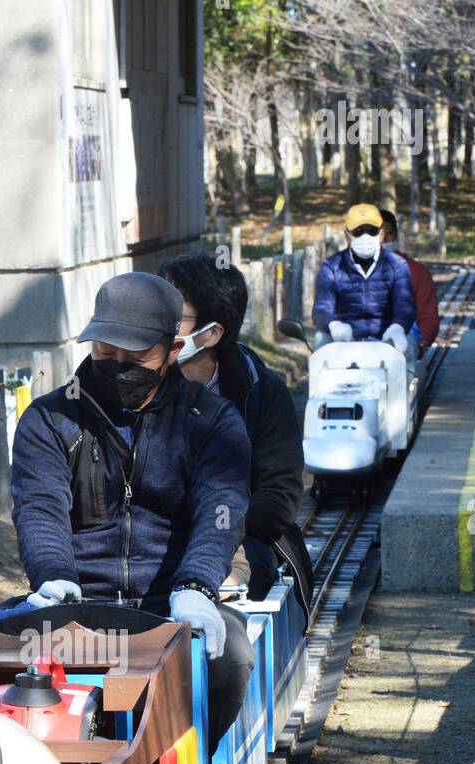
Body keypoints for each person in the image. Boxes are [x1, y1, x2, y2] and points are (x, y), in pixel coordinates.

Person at [10, 270, 254, 747]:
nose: (118, 364)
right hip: (75, 605)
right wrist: (53, 575)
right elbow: (40, 507)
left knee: (233, 658)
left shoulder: (213, 421)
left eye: (137, 355)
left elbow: (221, 509)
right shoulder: (48, 419)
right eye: (105, 352)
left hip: (173, 603)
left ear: (173, 350)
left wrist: (195, 586)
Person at [159, 254, 312, 617]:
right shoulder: (139, 381)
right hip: (153, 542)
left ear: (211, 333)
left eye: (172, 315)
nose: (156, 323)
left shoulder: (262, 391)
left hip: (243, 540)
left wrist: (214, 529)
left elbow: (279, 497)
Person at [312, 203, 416, 355]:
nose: (365, 236)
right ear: (347, 235)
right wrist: (333, 325)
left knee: (409, 343)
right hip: (345, 342)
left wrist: (397, 327)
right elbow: (322, 306)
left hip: (386, 339)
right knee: (321, 338)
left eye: (371, 231)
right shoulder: (331, 267)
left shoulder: (397, 265)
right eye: (358, 231)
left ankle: (407, 379)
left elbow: (405, 303)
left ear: (381, 234)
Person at [379, 208, 440, 350]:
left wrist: (419, 344)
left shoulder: (417, 272)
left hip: (402, 346)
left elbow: (428, 319)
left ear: (397, 236)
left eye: (389, 233)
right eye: (376, 234)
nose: (383, 240)